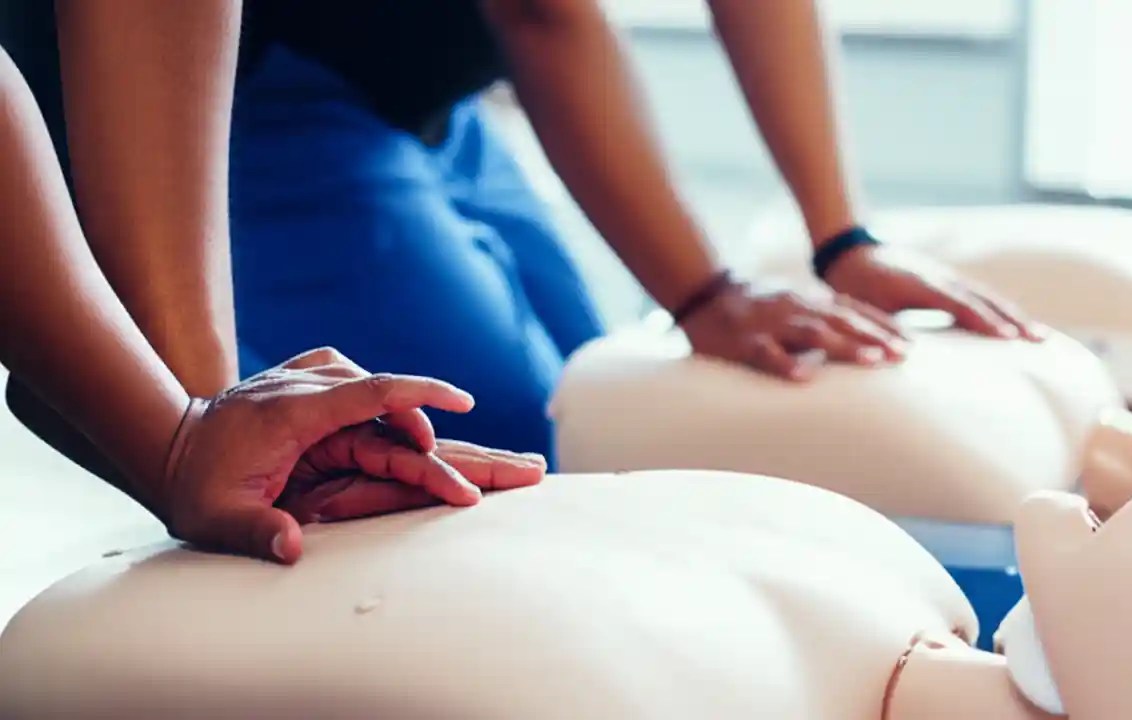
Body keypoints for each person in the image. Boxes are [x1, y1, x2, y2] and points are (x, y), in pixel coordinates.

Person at [230, 0, 1044, 465]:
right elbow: (541, 13)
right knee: (515, 441)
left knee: (591, 399)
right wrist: (708, 294)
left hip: (443, 100)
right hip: (272, 106)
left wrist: (842, 241)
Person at [1, 1, 543, 566]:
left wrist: (202, 429)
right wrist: (178, 437)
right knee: (490, 421)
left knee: (549, 418)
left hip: (438, 101)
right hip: (286, 93)